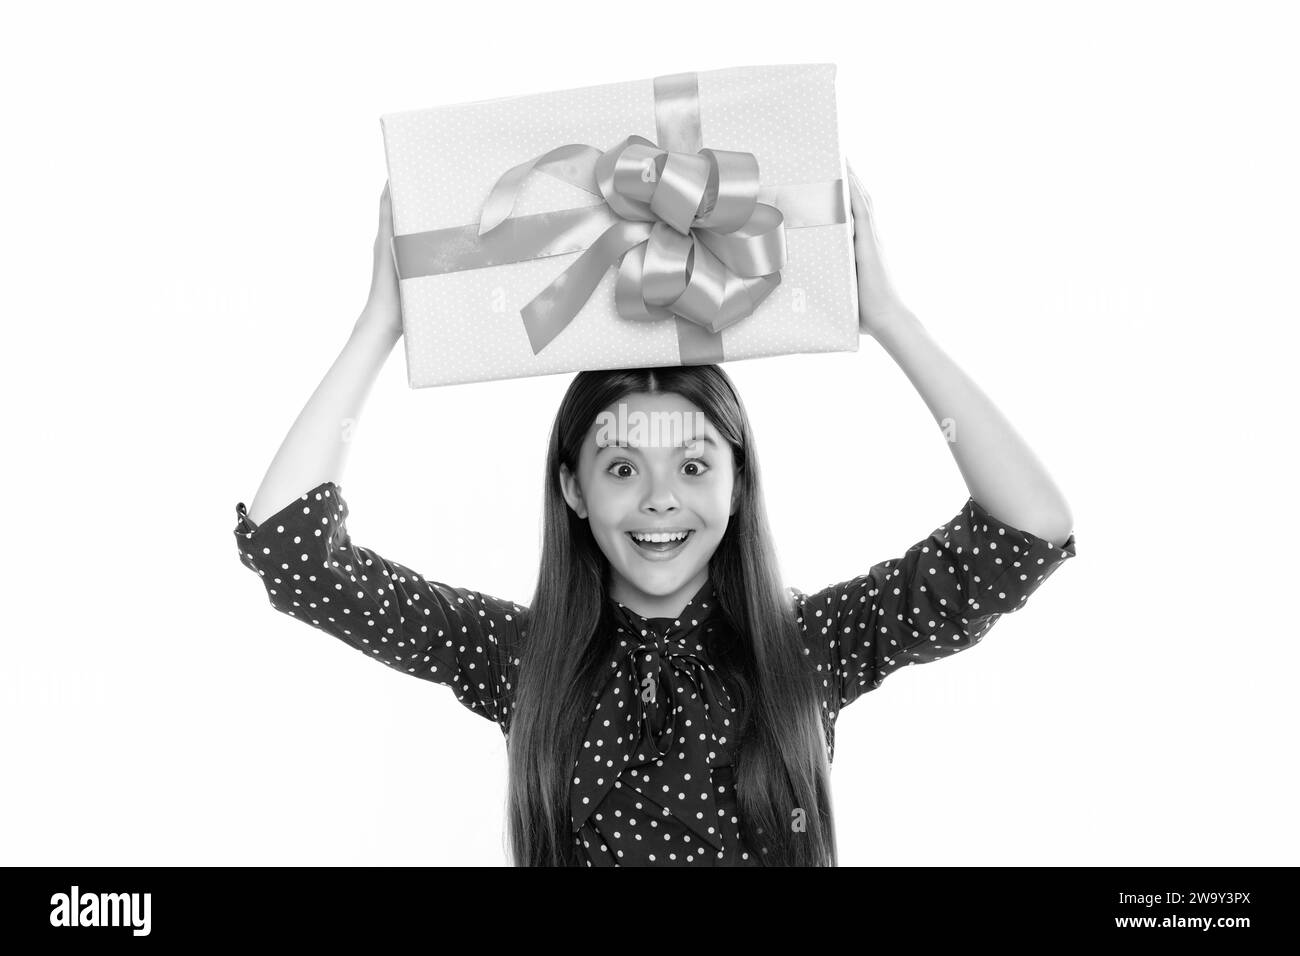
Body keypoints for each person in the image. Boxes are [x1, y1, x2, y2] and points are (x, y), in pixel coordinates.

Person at [233, 169, 1077, 866]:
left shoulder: (810, 647)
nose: (660, 499)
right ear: (573, 490)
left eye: (694, 465)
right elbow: (292, 551)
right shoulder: (521, 660)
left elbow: (1028, 530)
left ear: (740, 484)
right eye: (623, 467)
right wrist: (379, 325)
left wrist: (891, 320)